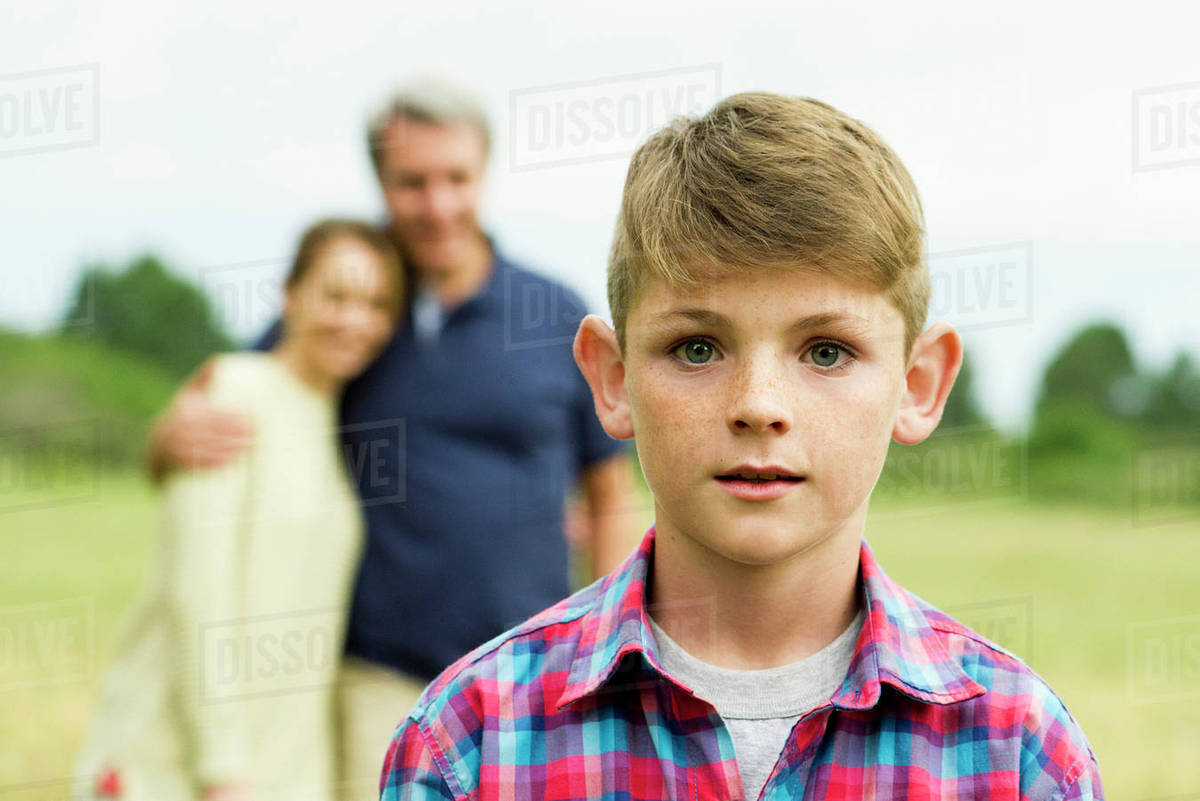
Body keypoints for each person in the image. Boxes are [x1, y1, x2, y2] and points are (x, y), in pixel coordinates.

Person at [378, 92, 1105, 800]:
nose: (759, 405)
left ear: (918, 384)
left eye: (826, 351)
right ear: (613, 377)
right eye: (697, 347)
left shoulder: (1019, 751)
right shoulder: (470, 745)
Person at [143, 79, 639, 799]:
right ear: (380, 180)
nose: (437, 204)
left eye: (455, 179)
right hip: (378, 683)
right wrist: (165, 438)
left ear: (485, 173)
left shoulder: (551, 311)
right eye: (412, 182)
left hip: (534, 676)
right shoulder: (352, 309)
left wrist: (613, 647)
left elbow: (608, 493)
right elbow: (237, 393)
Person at [74, 220, 406, 801]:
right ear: (290, 294)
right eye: (336, 296)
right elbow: (198, 593)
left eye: (376, 304)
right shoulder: (231, 392)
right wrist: (221, 769)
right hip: (179, 766)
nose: (355, 320)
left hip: (285, 770)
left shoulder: (332, 418)